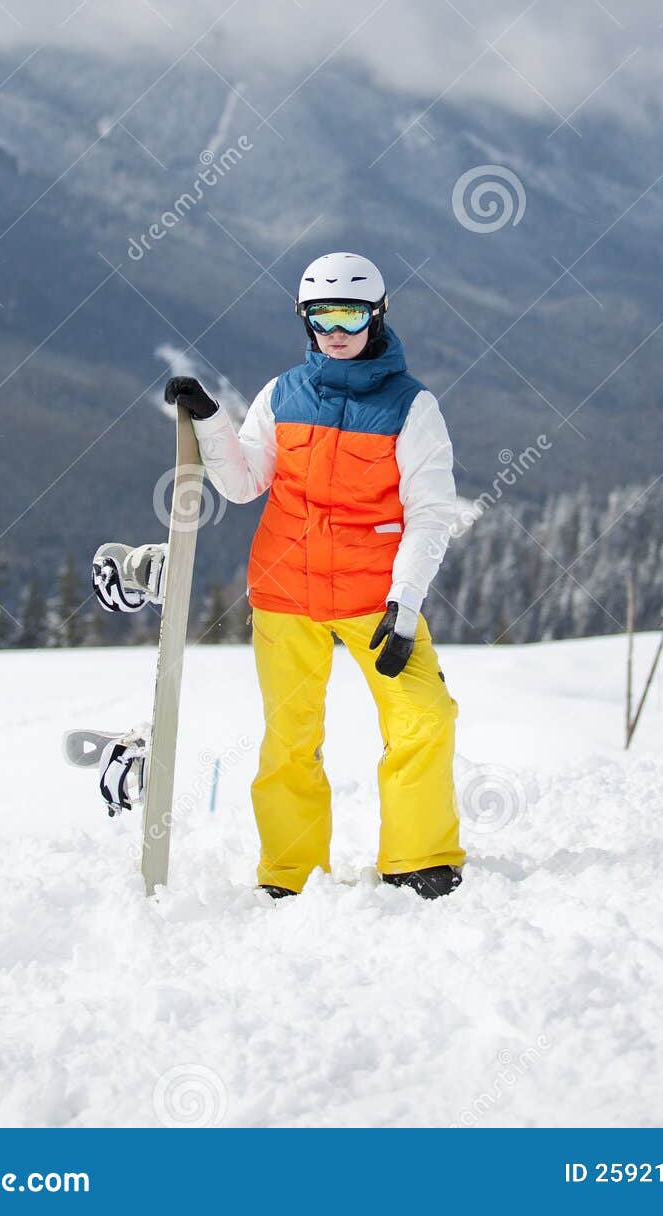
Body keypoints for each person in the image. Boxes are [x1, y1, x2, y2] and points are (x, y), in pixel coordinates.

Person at [164, 252, 464, 901]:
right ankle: (290, 874)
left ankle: (418, 857)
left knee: (424, 716)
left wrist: (405, 603)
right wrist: (211, 420)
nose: (336, 330)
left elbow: (431, 513)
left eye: (350, 314)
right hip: (284, 591)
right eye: (322, 314)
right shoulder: (280, 395)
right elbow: (243, 486)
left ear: (377, 315)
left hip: (372, 597)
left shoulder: (413, 409)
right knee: (290, 738)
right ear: (303, 318)